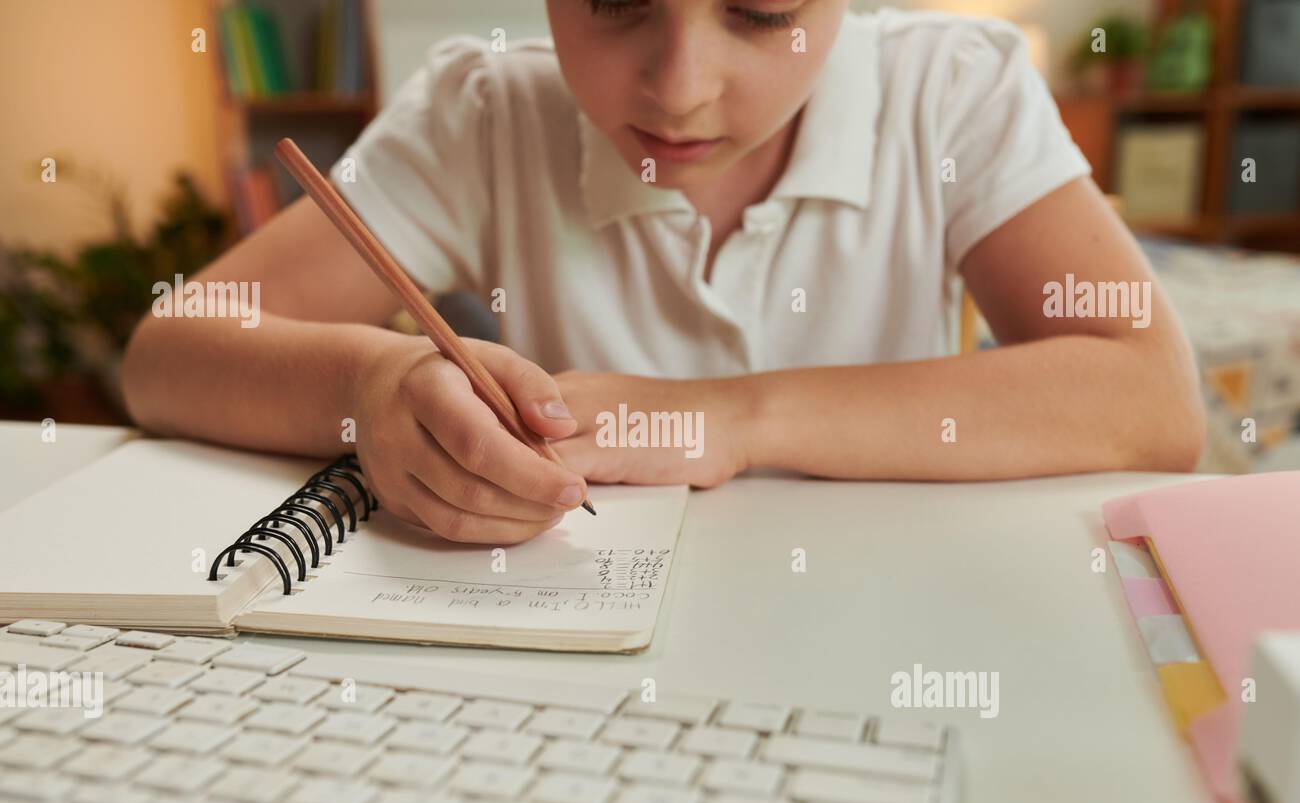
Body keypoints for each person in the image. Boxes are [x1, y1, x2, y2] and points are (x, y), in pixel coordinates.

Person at [123, 0, 1205, 544]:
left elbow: (1149, 394)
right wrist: (371, 389)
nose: (680, 88)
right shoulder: (487, 118)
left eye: (762, 10)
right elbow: (169, 352)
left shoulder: (951, 94)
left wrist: (729, 417)